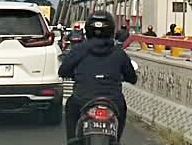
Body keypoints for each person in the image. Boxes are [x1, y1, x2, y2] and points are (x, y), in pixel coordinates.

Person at [59, 10, 137, 141]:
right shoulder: (119, 53)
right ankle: (116, 139)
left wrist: (76, 75)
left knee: (70, 106)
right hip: (113, 101)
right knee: (122, 108)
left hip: (82, 99)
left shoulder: (78, 50)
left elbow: (63, 71)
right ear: (111, 30)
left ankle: (72, 140)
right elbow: (132, 77)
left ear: (88, 30)